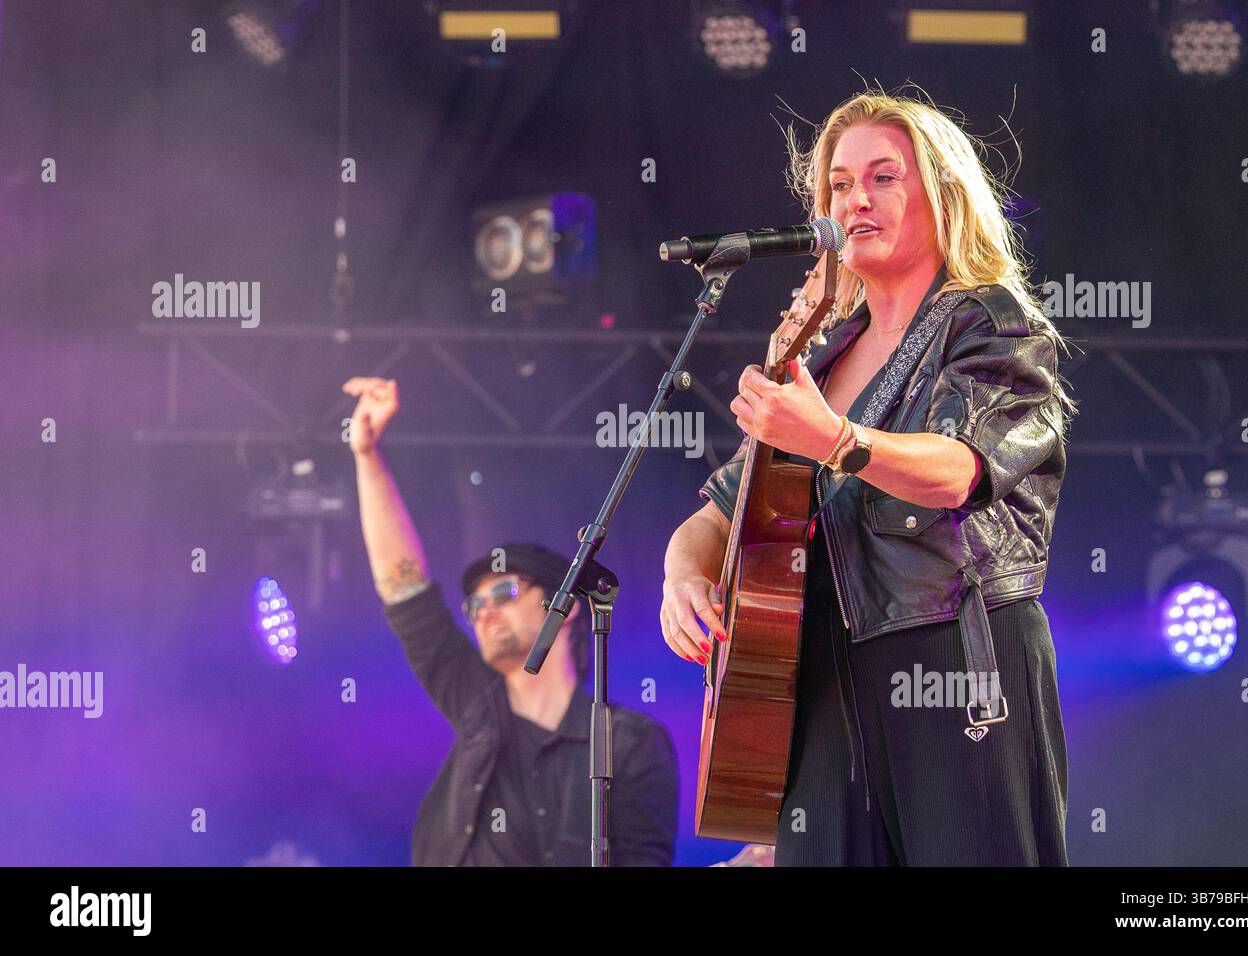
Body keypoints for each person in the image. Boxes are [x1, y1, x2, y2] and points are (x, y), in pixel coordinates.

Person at [661, 85, 1076, 866]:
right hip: (820, 685)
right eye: (840, 184)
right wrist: (682, 576)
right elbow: (720, 512)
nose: (856, 199)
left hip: (951, 660)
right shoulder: (820, 352)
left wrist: (836, 439)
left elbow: (959, 470)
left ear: (943, 194)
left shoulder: (989, 320)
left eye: (885, 177)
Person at [345, 376, 679, 866]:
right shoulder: (477, 703)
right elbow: (406, 590)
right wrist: (367, 457)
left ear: (563, 608)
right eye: (475, 605)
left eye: (504, 591)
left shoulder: (627, 744)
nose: (485, 611)